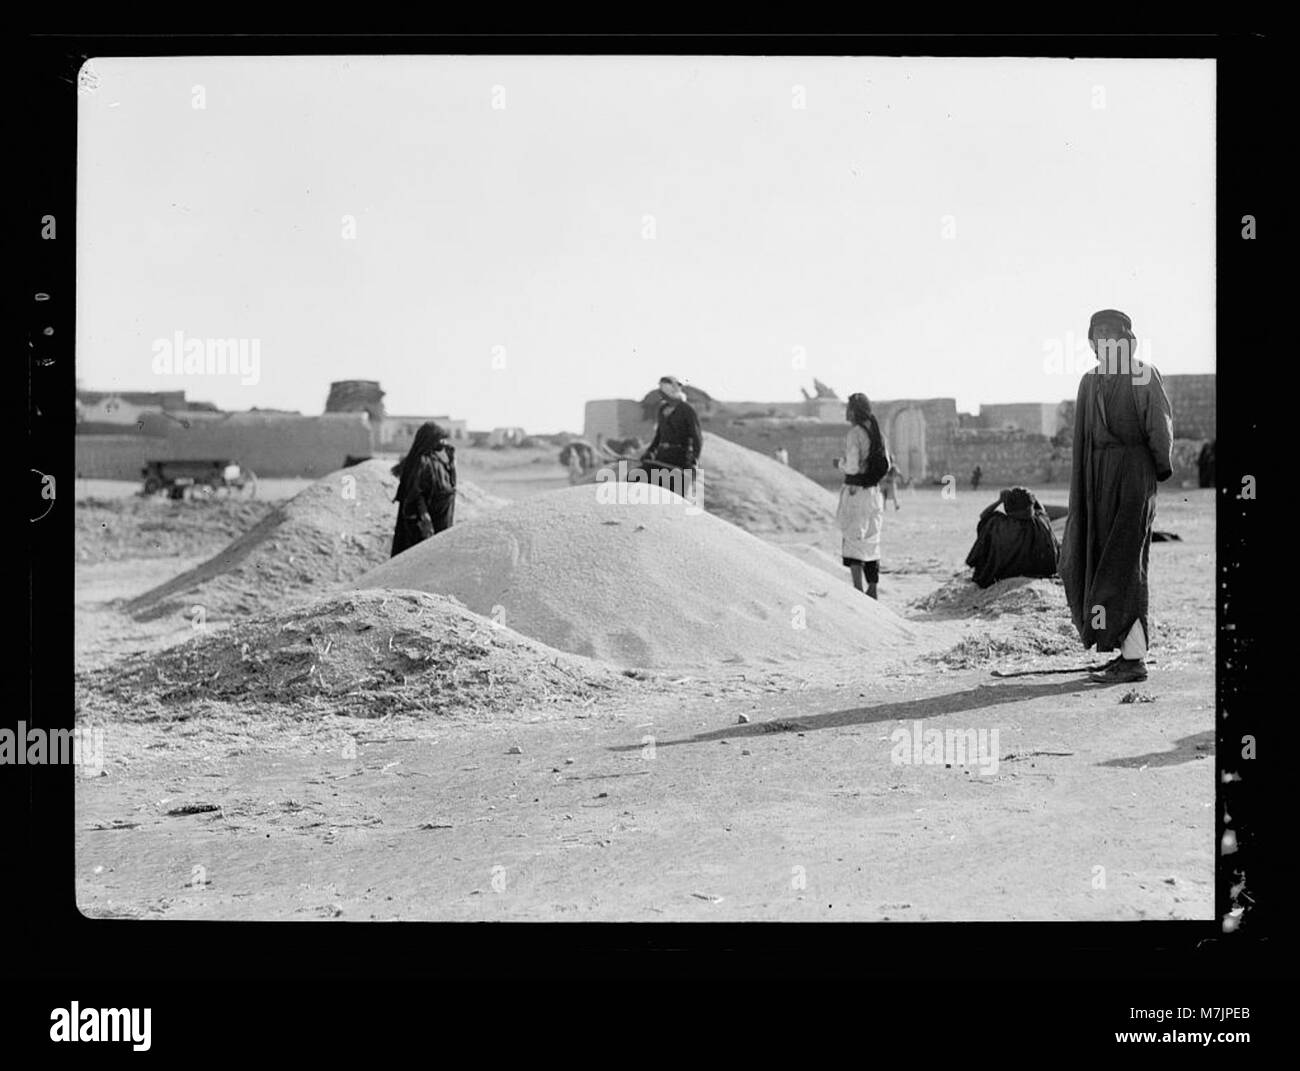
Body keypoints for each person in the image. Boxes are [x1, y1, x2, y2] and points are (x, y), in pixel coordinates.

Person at [1059, 309, 1174, 684]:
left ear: (1125, 340)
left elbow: (1159, 429)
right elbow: (1083, 438)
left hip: (1133, 477)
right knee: (1101, 560)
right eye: (1097, 337)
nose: (1102, 343)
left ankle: (1135, 659)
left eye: (1110, 336)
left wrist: (1152, 473)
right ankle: (1122, 651)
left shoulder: (1142, 373)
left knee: (1126, 565)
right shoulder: (1089, 382)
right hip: (1097, 481)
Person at [833, 392, 890, 598]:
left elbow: (853, 467)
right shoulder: (879, 434)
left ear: (854, 410)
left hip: (857, 493)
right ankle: (872, 587)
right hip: (874, 494)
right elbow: (887, 464)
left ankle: (858, 590)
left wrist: (840, 464)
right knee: (871, 540)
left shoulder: (855, 433)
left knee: (853, 538)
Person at [964, 487, 1060, 589]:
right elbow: (1041, 510)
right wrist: (1033, 497)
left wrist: (999, 501)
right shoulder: (1041, 521)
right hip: (1037, 570)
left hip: (1006, 573)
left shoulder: (998, 524)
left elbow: (983, 516)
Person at [390, 421, 457, 557]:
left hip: (442, 523)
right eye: (440, 439)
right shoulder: (422, 462)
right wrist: (425, 520)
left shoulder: (438, 462)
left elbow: (452, 487)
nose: (443, 443)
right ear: (431, 441)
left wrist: (451, 462)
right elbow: (415, 495)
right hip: (425, 529)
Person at [641, 376, 703, 500]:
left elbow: (697, 438)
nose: (661, 394)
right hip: (661, 457)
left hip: (679, 460)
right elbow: (659, 436)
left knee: (674, 497)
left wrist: (694, 461)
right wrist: (650, 452)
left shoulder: (686, 410)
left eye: (662, 391)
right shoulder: (662, 409)